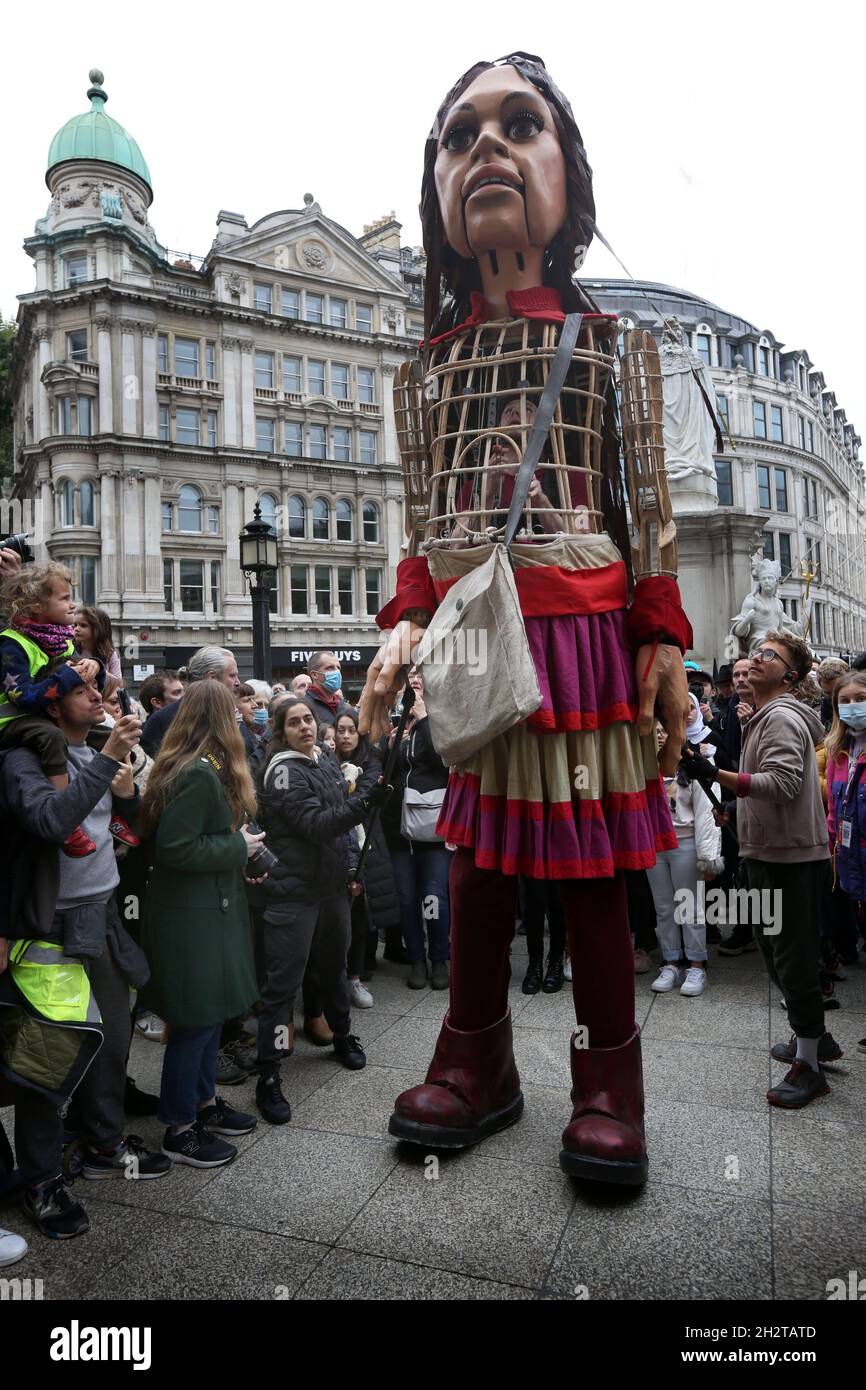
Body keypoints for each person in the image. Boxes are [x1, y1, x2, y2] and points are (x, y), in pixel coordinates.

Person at [360, 53, 691, 1185]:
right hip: (476, 640)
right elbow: (423, 524)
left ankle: (608, 1083)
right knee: (478, 864)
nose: (486, 147)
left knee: (590, 870)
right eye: (459, 135)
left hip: (584, 635)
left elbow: (646, 513)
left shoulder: (612, 348)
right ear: (437, 190)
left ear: (566, 175)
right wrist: (403, 623)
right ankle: (477, 1063)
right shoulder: (425, 372)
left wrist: (662, 640)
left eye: (519, 124)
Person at [0, 673, 169, 1238]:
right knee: (50, 1059)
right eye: (83, 691)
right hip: (52, 929)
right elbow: (51, 820)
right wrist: (109, 760)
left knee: (112, 1041)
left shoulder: (89, 750)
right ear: (50, 704)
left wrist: (127, 790)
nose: (100, 699)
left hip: (101, 915)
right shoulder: (22, 761)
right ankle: (41, 1180)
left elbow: (128, 826)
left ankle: (102, 1142)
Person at [683, 631, 832, 1107]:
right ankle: (814, 1037)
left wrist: (719, 776)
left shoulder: (783, 716)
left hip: (789, 858)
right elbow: (768, 791)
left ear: (790, 675)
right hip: (769, 852)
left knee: (791, 956)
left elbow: (783, 784)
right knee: (776, 951)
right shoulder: (767, 716)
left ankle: (809, 1065)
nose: (755, 659)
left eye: (769, 655)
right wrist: (734, 812)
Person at [140, 682, 262, 1167]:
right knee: (194, 1023)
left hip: (206, 912)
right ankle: (179, 1127)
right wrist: (240, 848)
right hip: (193, 918)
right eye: (231, 712)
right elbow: (176, 848)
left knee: (208, 1018)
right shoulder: (197, 774)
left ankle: (203, 1103)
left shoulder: (198, 767)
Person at [253, 700, 382, 1124]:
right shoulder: (284, 770)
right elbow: (318, 825)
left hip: (330, 889)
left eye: (308, 719)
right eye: (294, 722)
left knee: (335, 970)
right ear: (281, 731)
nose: (305, 726)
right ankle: (269, 1076)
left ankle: (343, 1036)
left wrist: (349, 868)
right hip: (294, 894)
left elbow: (338, 833)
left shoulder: (322, 758)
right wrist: (364, 799)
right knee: (282, 987)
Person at [0, 560, 135, 857]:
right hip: (18, 720)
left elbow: (88, 679)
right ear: (35, 605)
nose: (73, 605)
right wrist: (68, 677)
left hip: (46, 713)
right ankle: (69, 819)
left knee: (108, 735)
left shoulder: (59, 641)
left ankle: (114, 816)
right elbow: (22, 695)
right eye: (64, 598)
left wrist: (94, 666)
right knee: (52, 739)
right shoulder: (11, 644)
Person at [380, 671, 452, 990]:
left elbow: (445, 763)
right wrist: (391, 745)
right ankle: (417, 960)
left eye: (422, 675)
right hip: (400, 831)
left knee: (434, 897)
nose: (417, 680)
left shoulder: (441, 720)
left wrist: (424, 722)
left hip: (433, 829)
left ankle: (439, 959)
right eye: (411, 676)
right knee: (407, 899)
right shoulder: (395, 720)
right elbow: (384, 773)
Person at [648, 721, 722, 997]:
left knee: (689, 906)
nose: (658, 736)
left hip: (686, 843)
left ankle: (696, 964)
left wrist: (708, 857)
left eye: (663, 731)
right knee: (664, 908)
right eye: (653, 731)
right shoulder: (642, 767)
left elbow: (706, 814)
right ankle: (670, 962)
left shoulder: (692, 764)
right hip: (654, 846)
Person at [334, 708, 402, 1008]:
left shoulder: (371, 762)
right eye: (341, 730)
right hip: (332, 846)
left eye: (351, 730)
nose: (346, 736)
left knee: (360, 912)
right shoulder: (323, 761)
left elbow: (361, 801)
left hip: (365, 844)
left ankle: (355, 977)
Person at [140, 645, 241, 757]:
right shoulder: (162, 721)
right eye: (232, 676)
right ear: (212, 677)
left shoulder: (235, 716)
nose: (238, 682)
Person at [73, 605, 122, 681]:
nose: (76, 629)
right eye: (75, 625)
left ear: (98, 629)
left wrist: (99, 669)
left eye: (83, 625)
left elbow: (119, 683)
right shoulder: (70, 650)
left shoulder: (110, 654)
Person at [304, 652, 353, 726]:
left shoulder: (343, 706)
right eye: (330, 668)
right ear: (314, 675)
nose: (337, 672)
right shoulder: (305, 705)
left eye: (338, 668)